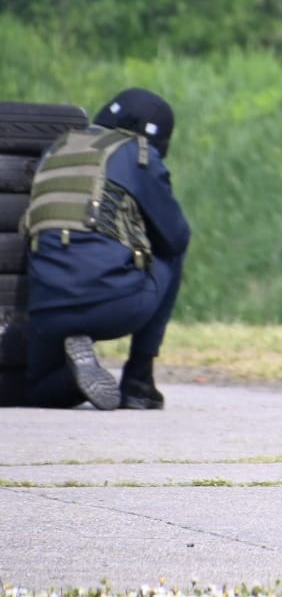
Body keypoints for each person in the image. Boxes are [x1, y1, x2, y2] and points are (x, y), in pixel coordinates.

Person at [22, 88, 190, 410]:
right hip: (115, 305)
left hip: (46, 309)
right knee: (172, 252)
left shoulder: (56, 149)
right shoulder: (139, 154)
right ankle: (139, 380)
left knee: (38, 392)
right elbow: (176, 235)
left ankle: (75, 374)